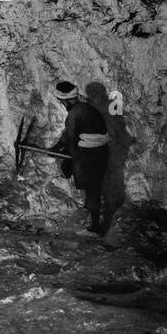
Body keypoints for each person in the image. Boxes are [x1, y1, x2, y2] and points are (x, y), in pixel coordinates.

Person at [51, 79, 110, 235]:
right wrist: (57, 147)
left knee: (92, 188)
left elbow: (71, 138)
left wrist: (68, 157)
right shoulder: (83, 105)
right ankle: (92, 214)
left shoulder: (75, 113)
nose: (63, 106)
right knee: (93, 187)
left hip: (92, 155)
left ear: (66, 100)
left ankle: (95, 227)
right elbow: (70, 132)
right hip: (101, 151)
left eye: (62, 103)